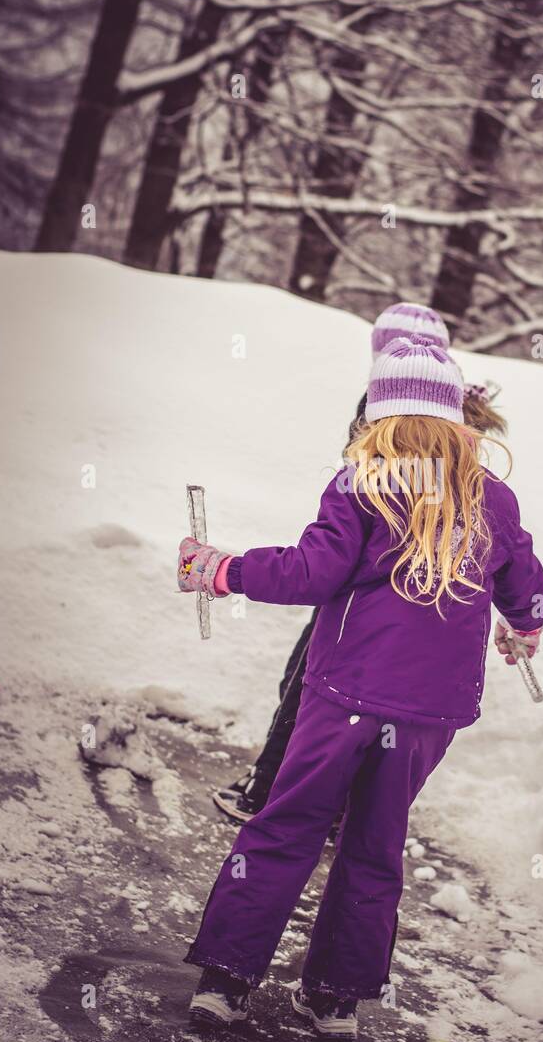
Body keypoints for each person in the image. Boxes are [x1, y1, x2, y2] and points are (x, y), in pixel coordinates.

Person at [177, 334, 543, 1039]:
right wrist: (524, 628)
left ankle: (226, 981)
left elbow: (310, 574)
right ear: (454, 418)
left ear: (379, 414)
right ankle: (335, 1000)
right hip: (430, 715)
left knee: (285, 827)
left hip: (343, 698)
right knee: (375, 846)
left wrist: (219, 570)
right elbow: (524, 584)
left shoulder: (362, 484)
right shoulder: (491, 497)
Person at [211, 312, 507, 826]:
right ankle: (346, 810)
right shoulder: (459, 421)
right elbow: (506, 551)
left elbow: (321, 560)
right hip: (433, 613)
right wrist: (524, 618)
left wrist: (228, 571)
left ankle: (271, 793)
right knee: (377, 733)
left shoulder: (381, 418)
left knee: (308, 687)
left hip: (358, 597)